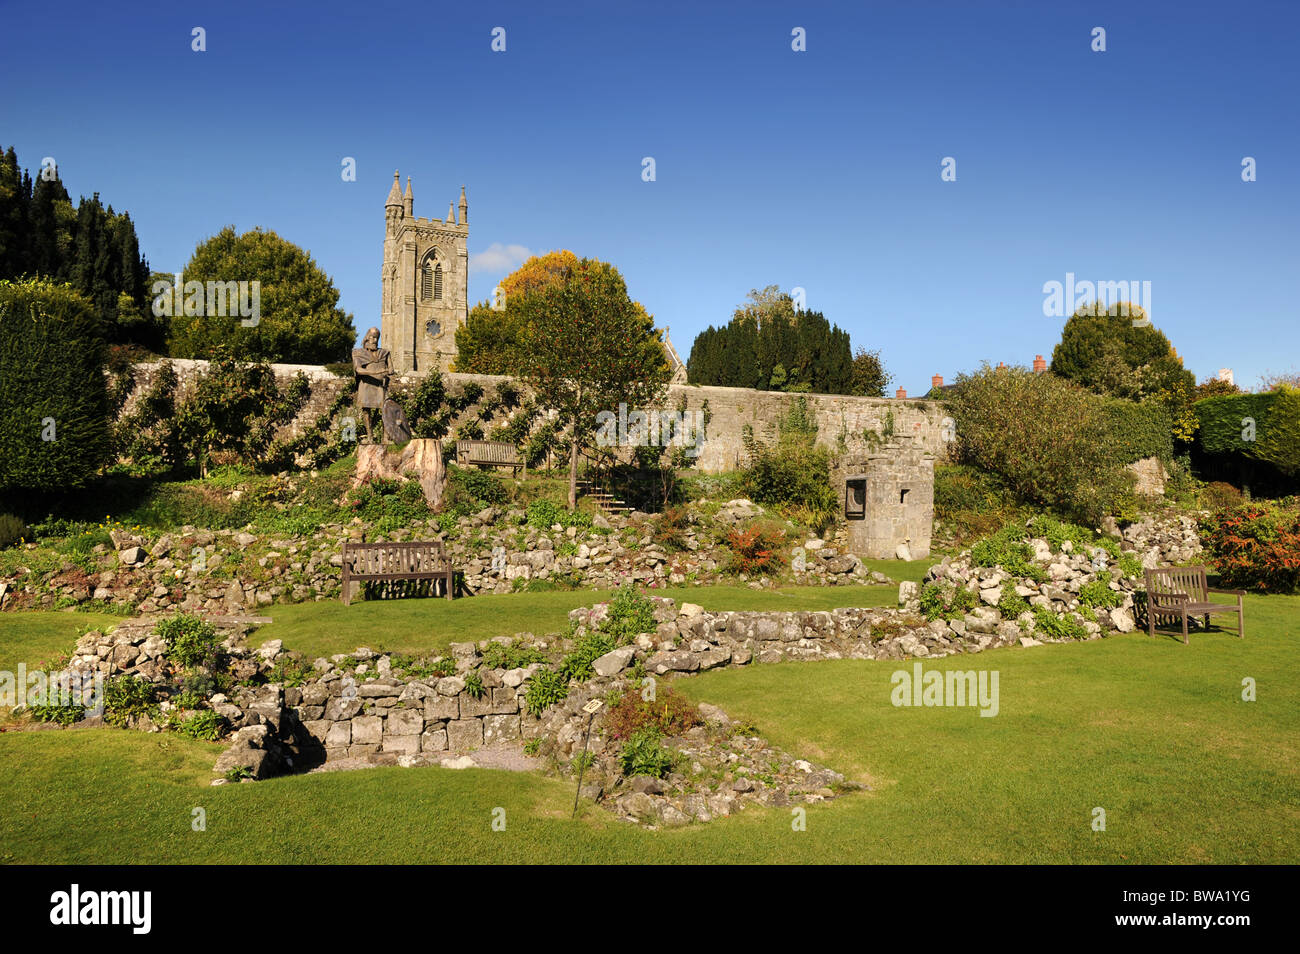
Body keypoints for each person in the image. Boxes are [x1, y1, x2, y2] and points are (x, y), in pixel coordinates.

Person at [352, 327, 391, 443]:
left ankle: (385, 438)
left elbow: (391, 369)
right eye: (372, 337)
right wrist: (376, 372)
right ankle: (370, 437)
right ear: (367, 337)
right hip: (366, 384)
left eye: (377, 338)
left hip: (380, 385)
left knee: (385, 409)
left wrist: (387, 371)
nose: (374, 340)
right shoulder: (358, 353)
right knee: (366, 410)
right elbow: (358, 370)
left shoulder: (384, 353)